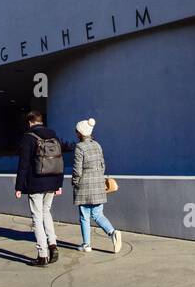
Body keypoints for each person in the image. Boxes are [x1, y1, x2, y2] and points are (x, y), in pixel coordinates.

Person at [15, 110, 63, 265]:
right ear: (41, 121)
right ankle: (53, 244)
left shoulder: (28, 138)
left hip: (35, 183)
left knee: (37, 217)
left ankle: (42, 255)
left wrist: (19, 186)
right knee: (46, 212)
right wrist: (59, 184)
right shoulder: (54, 136)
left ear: (29, 122)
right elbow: (59, 161)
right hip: (52, 182)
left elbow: (23, 164)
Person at [72, 118, 121, 254]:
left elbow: (77, 170)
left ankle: (87, 245)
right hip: (98, 184)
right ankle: (112, 232)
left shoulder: (79, 147)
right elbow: (102, 165)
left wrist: (75, 183)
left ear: (80, 133)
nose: (75, 133)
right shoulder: (97, 145)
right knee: (98, 214)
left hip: (84, 186)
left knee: (84, 216)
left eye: (76, 131)